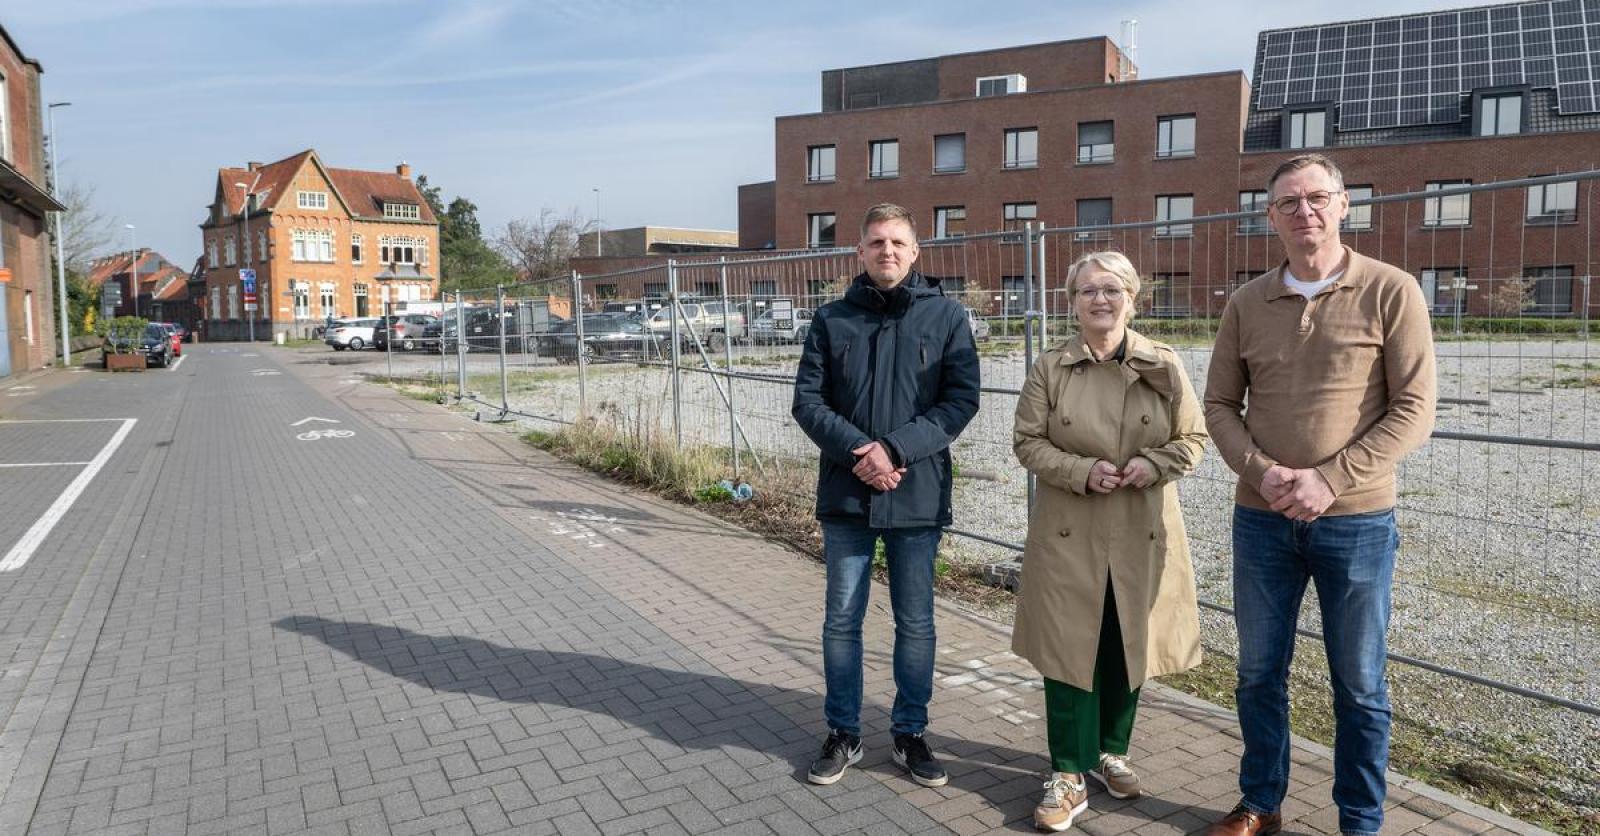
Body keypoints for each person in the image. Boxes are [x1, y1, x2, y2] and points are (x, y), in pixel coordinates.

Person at [1203, 153, 1436, 836]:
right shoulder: (1247, 303)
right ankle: (1260, 803)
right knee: (1257, 673)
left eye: (1316, 198)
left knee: (1359, 684)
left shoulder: (1391, 290)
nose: (1303, 211)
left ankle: (1360, 820)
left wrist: (1330, 478)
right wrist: (1260, 471)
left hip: (1356, 522)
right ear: (1270, 217)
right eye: (1288, 202)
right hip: (1262, 520)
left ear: (1343, 204)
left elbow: (1415, 409)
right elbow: (1218, 405)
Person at [1011, 251, 1207, 832]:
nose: (1101, 299)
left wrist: (1153, 464)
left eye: (1112, 289)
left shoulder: (1164, 365)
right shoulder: (1051, 367)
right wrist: (1081, 470)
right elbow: (1027, 442)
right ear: (1072, 302)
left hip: (1140, 525)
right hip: (1069, 527)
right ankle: (1068, 773)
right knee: (1068, 647)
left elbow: (1194, 438)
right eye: (1088, 290)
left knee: (1128, 641)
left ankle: (1110, 750)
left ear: (1132, 298)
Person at [791, 203, 981, 788]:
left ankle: (910, 734)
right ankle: (843, 732)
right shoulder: (831, 319)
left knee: (916, 622)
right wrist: (861, 453)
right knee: (841, 620)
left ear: (916, 251)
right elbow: (808, 402)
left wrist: (894, 451)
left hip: (916, 496)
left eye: (898, 242)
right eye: (876, 242)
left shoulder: (947, 317)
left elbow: (960, 401)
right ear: (860, 251)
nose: (887, 251)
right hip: (848, 497)